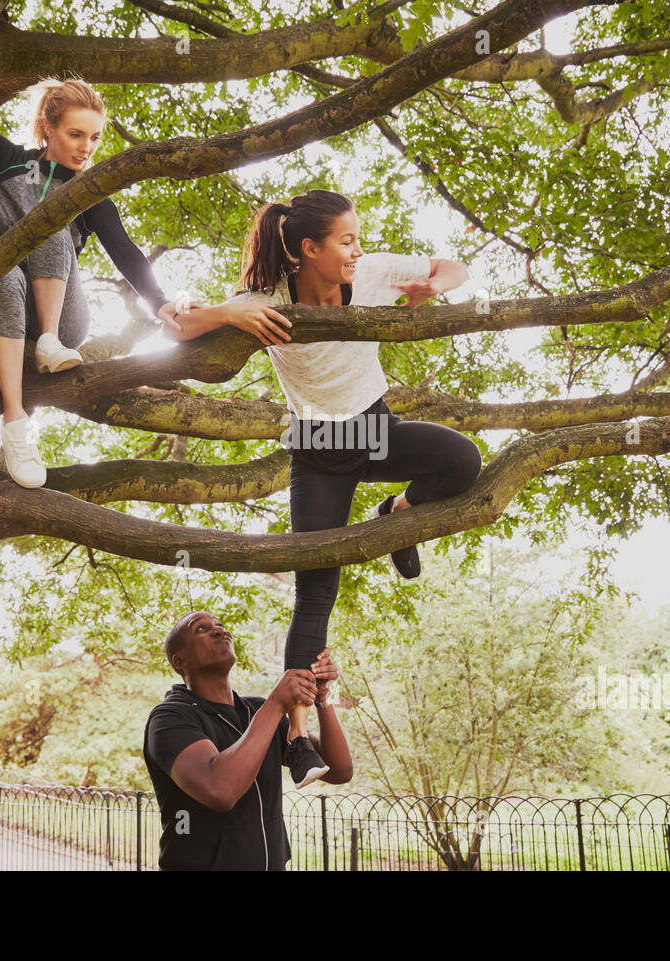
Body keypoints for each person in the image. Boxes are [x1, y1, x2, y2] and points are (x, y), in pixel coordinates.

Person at [166, 190, 483, 788]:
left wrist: (435, 285)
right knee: (316, 595)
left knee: (463, 458)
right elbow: (182, 323)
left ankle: (399, 509)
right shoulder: (269, 302)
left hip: (375, 430)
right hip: (316, 453)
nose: (357, 251)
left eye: (358, 239)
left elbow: (452, 265)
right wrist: (229, 314)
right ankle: (295, 740)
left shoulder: (372, 272)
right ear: (309, 248)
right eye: (345, 241)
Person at [0, 2, 191, 487]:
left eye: (95, 138)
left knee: (59, 215)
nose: (87, 147)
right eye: (76, 134)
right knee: (6, 269)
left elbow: (125, 251)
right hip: (0, 294)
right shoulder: (5, 159)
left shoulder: (90, 190)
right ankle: (17, 425)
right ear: (48, 129)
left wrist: (161, 303)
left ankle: (51, 342)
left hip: (63, 322)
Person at [143, 611, 352, 870]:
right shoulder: (170, 718)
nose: (220, 630)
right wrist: (276, 703)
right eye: (201, 629)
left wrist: (321, 697)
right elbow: (220, 790)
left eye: (220, 625)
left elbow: (340, 770)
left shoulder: (256, 712)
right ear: (180, 659)